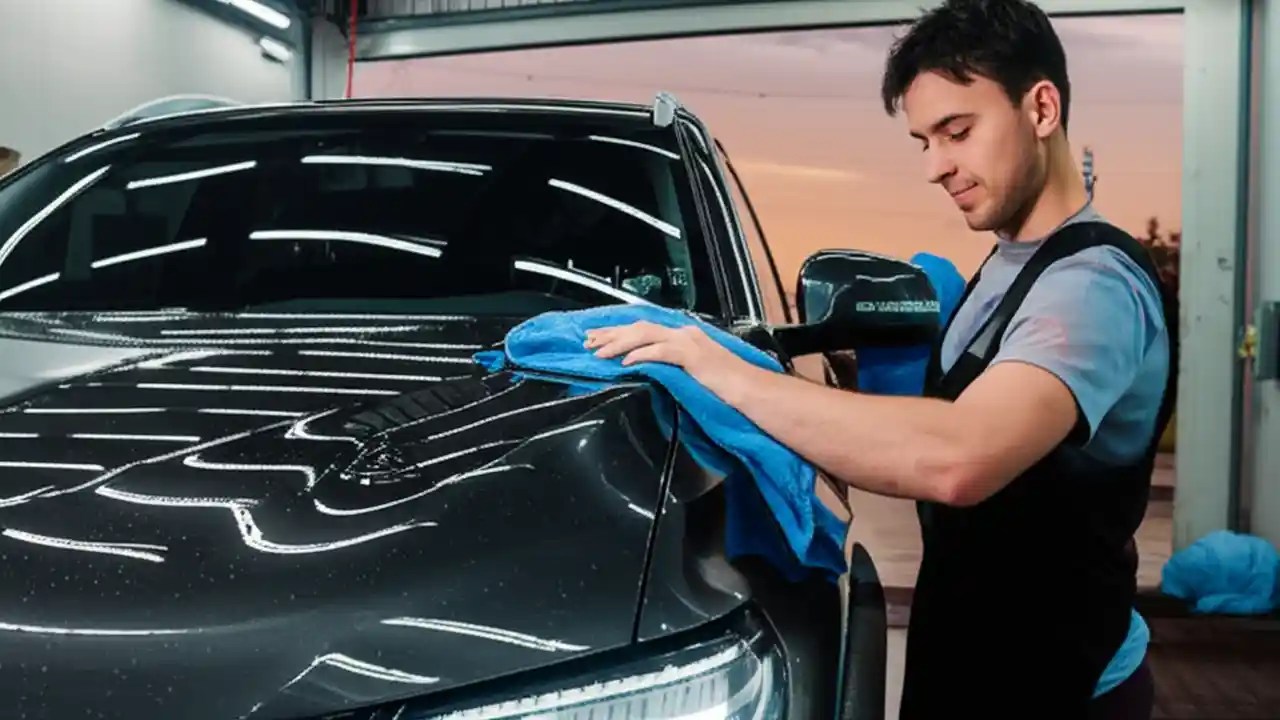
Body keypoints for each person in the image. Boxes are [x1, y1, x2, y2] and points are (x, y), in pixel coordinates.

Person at [583, 0, 1174, 717]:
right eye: (924, 140)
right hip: (979, 663)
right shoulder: (1011, 267)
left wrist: (722, 369)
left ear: (1041, 107)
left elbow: (959, 457)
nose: (936, 166)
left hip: (1061, 688)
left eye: (958, 132)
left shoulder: (1092, 287)